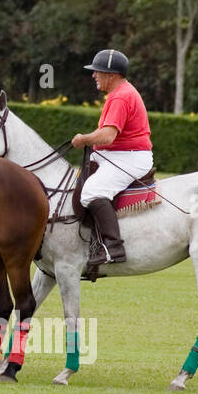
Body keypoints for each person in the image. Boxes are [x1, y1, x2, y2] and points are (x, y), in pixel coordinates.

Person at [70, 48, 153, 270]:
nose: (93, 75)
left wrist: (83, 139)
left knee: (92, 191)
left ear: (111, 75)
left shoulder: (121, 96)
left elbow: (107, 136)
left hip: (129, 158)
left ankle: (113, 247)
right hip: (117, 155)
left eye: (97, 71)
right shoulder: (119, 93)